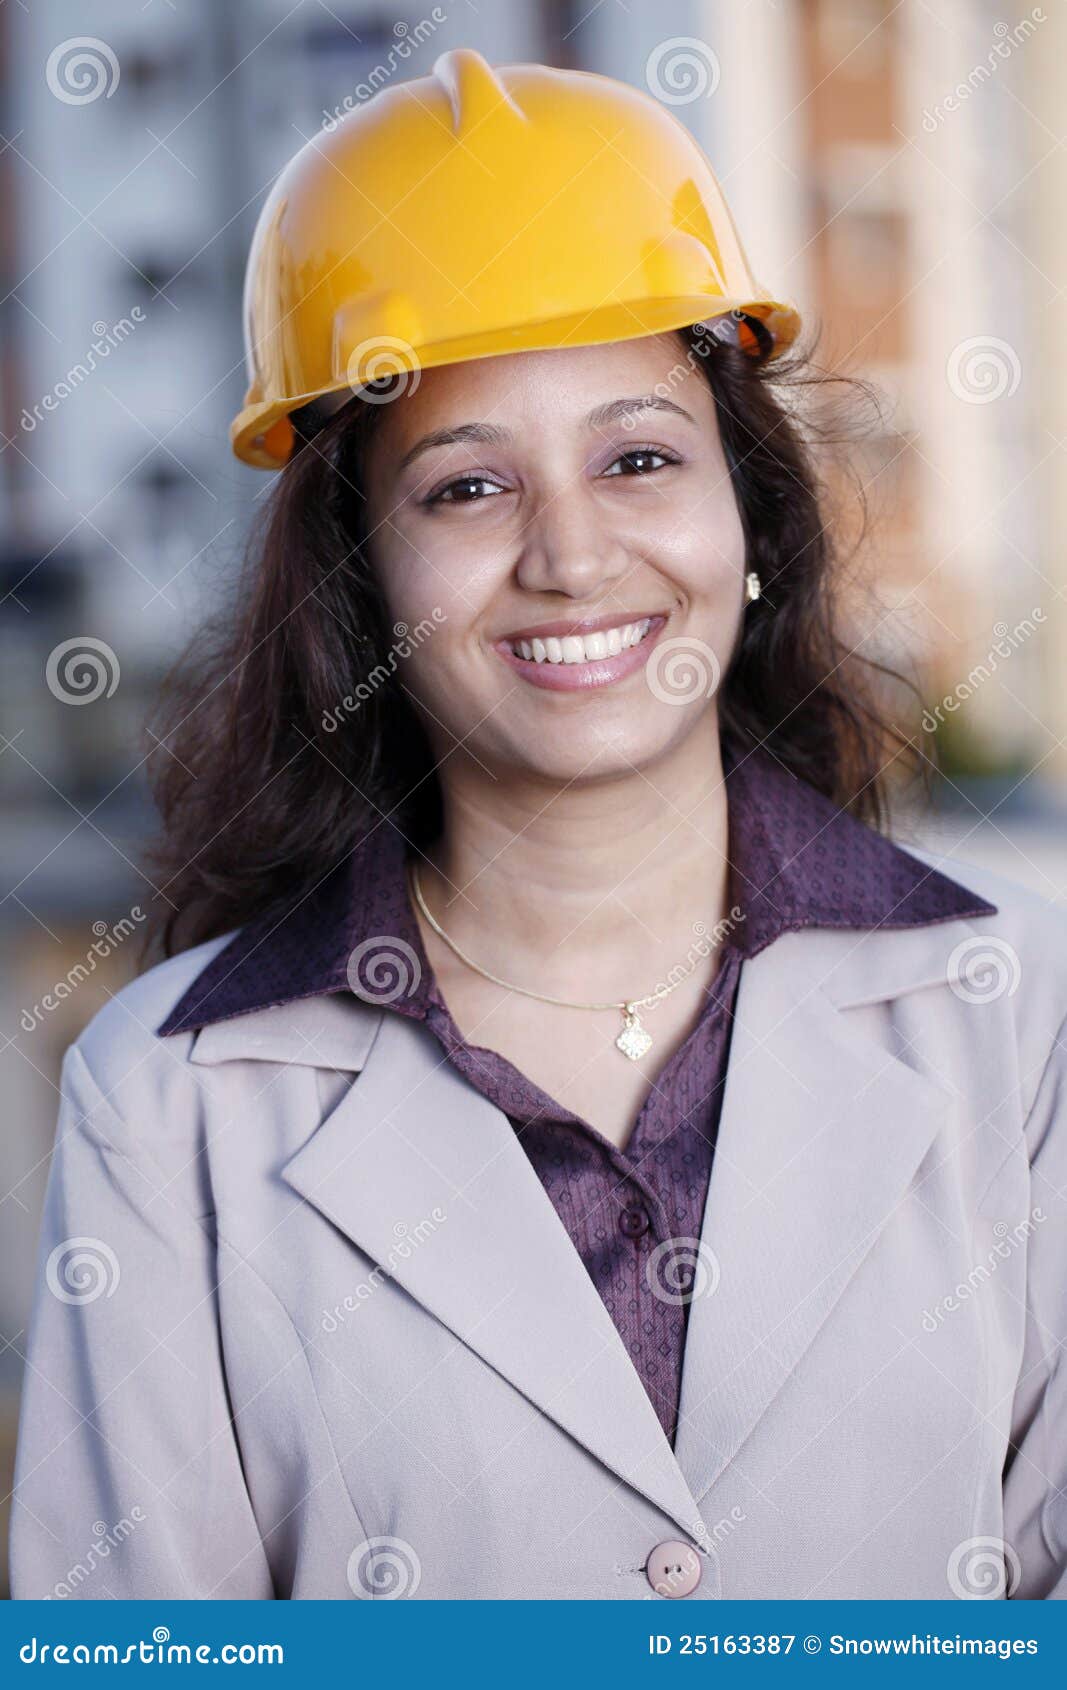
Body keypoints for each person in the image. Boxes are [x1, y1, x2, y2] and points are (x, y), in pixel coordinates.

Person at [10, 47, 1067, 1603]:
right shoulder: (166, 1106)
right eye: (464, 487)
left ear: (749, 518)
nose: (572, 556)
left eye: (639, 457)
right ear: (362, 581)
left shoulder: (1021, 1017)